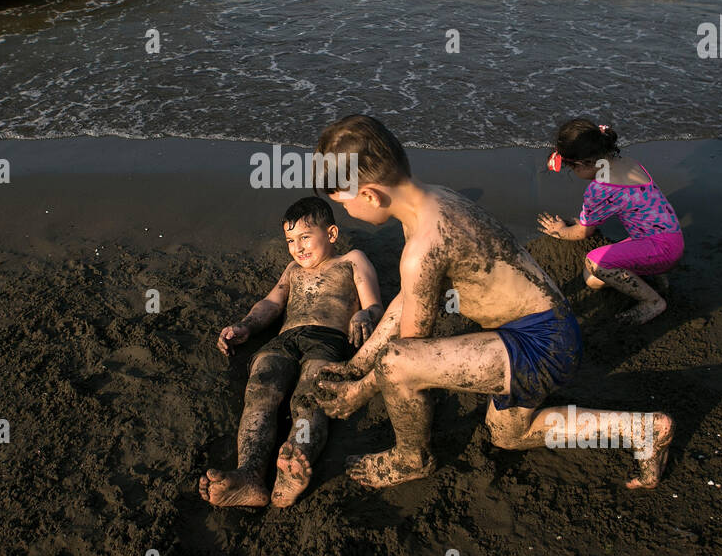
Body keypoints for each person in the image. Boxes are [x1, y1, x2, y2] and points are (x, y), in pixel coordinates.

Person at [312, 115, 673, 491]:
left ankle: (410, 459)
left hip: (538, 346)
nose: (347, 213)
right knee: (508, 435)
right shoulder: (437, 199)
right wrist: (356, 365)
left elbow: (408, 353)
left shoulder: (422, 246)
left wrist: (361, 389)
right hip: (554, 329)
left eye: (344, 204)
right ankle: (642, 430)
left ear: (369, 195)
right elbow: (408, 296)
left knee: (396, 363)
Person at [200, 196, 382, 507]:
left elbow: (375, 305)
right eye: (290, 240)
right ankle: (250, 474)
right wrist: (246, 326)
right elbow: (271, 304)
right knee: (260, 391)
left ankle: (294, 463)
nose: (297, 247)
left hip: (327, 339)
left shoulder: (351, 260)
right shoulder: (292, 270)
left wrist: (364, 315)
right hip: (285, 340)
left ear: (332, 234)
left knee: (308, 396)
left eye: (305, 237)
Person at [538, 119, 683, 325]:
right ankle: (655, 275)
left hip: (659, 249)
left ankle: (652, 302)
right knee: (592, 279)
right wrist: (585, 220)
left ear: (582, 164)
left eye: (571, 168)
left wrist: (561, 230)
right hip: (670, 238)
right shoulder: (628, 163)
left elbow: (582, 233)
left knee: (594, 264)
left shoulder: (600, 189)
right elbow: (621, 203)